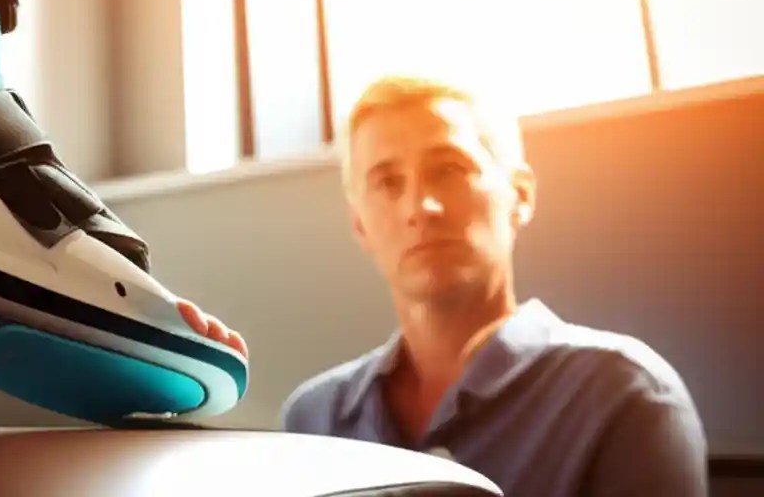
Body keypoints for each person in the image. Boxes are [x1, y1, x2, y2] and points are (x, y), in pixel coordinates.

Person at [280, 73, 707, 496]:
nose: (420, 207)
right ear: (359, 225)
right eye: (387, 182)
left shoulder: (624, 397)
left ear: (520, 195)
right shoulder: (312, 419)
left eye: (448, 169)